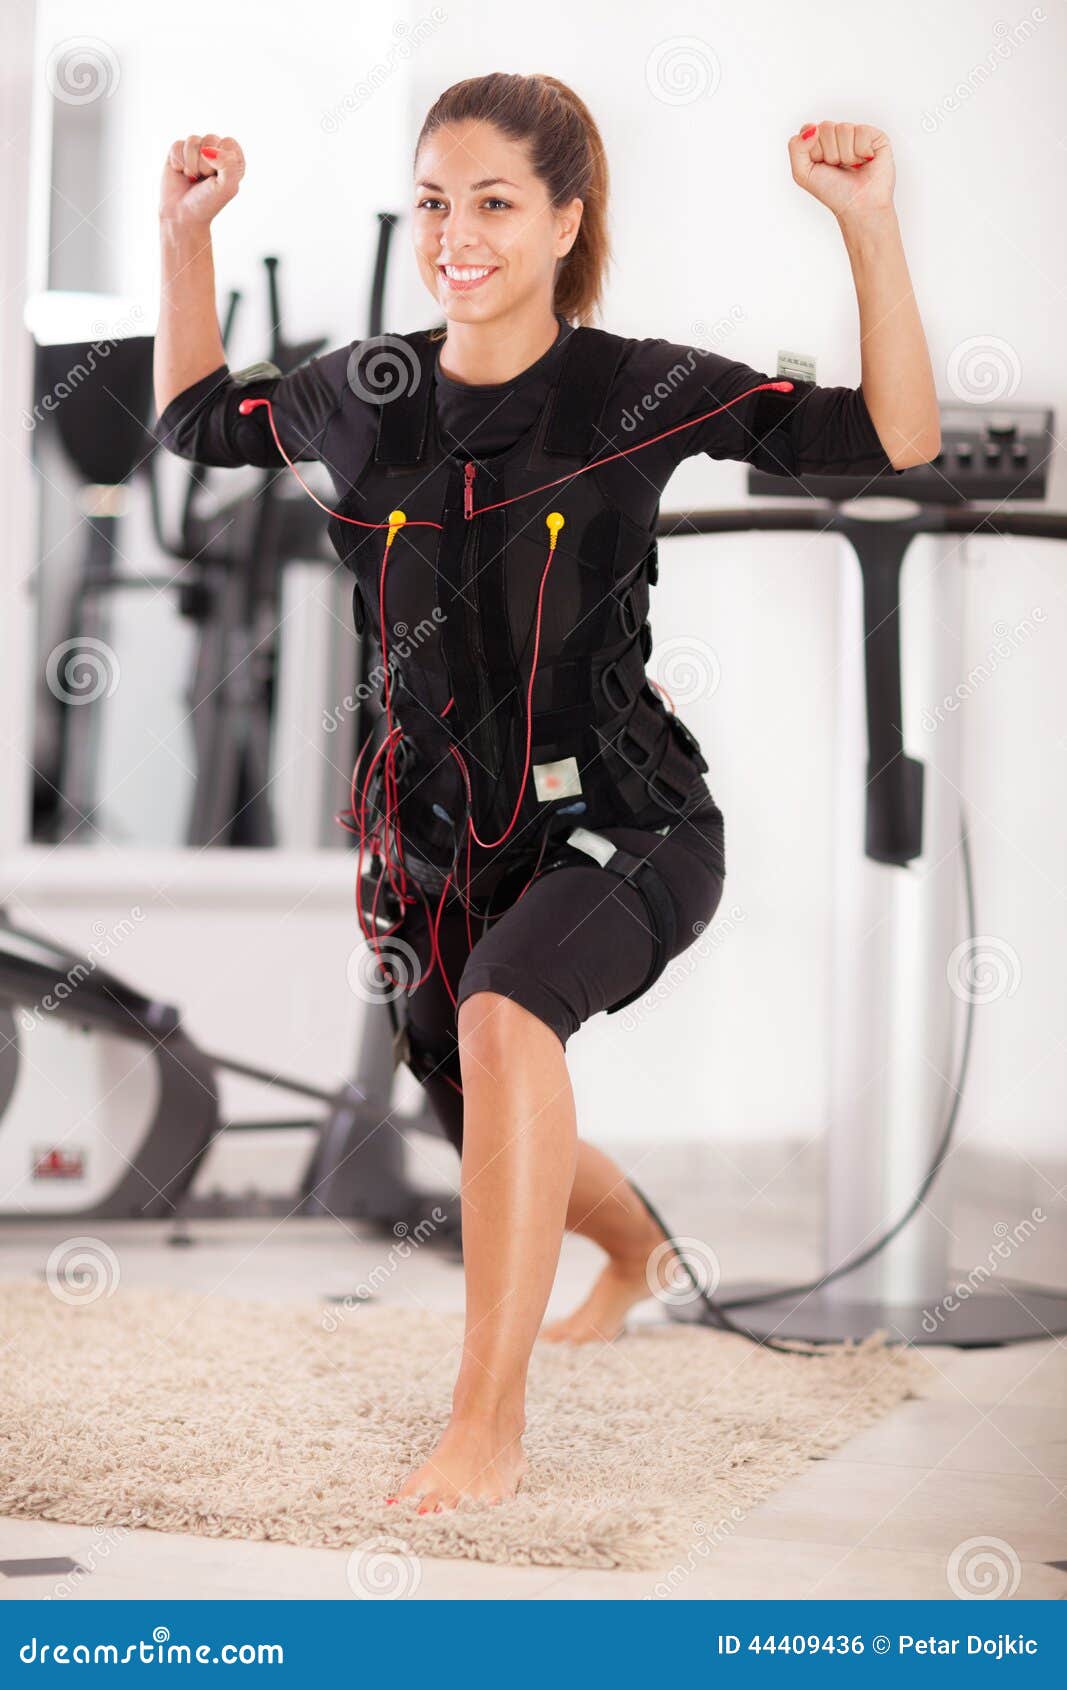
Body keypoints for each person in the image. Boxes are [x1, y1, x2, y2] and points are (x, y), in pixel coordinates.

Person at [153, 72, 940, 1514]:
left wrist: (868, 222)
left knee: (509, 1019)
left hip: (628, 824)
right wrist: (185, 234)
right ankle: (639, 1253)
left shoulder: (632, 390)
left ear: (567, 221)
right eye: (434, 203)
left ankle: (486, 1425)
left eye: (495, 203)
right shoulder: (362, 394)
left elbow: (891, 437)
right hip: (440, 856)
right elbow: (198, 422)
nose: (456, 235)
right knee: (489, 1109)